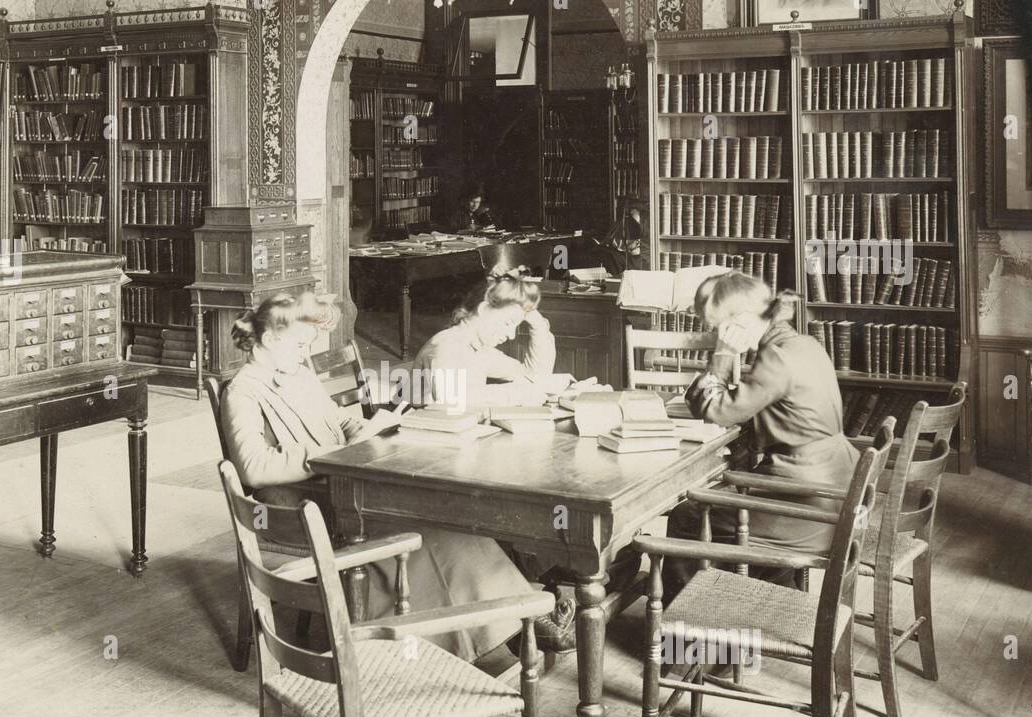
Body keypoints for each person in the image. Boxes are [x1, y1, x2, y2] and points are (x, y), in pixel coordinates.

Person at [220, 290, 575, 659]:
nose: (304, 354)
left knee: (439, 515)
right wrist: (335, 451)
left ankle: (513, 618)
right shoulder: (243, 391)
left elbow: (336, 418)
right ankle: (512, 623)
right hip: (301, 502)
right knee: (424, 528)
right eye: (299, 345)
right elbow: (253, 466)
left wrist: (364, 429)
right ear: (271, 339)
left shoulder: (295, 372)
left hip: (340, 480)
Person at [662, 271, 859, 603]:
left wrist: (724, 354)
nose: (716, 335)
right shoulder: (802, 343)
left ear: (738, 322)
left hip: (808, 505)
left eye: (717, 328)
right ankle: (767, 598)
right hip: (833, 487)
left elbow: (715, 410)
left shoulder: (776, 357)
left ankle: (684, 632)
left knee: (688, 516)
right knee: (720, 501)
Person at [412, 266, 565, 412]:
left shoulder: (478, 349)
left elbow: (534, 375)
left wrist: (537, 324)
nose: (511, 335)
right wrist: (518, 394)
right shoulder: (446, 347)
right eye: (508, 323)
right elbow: (453, 404)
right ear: (484, 309)